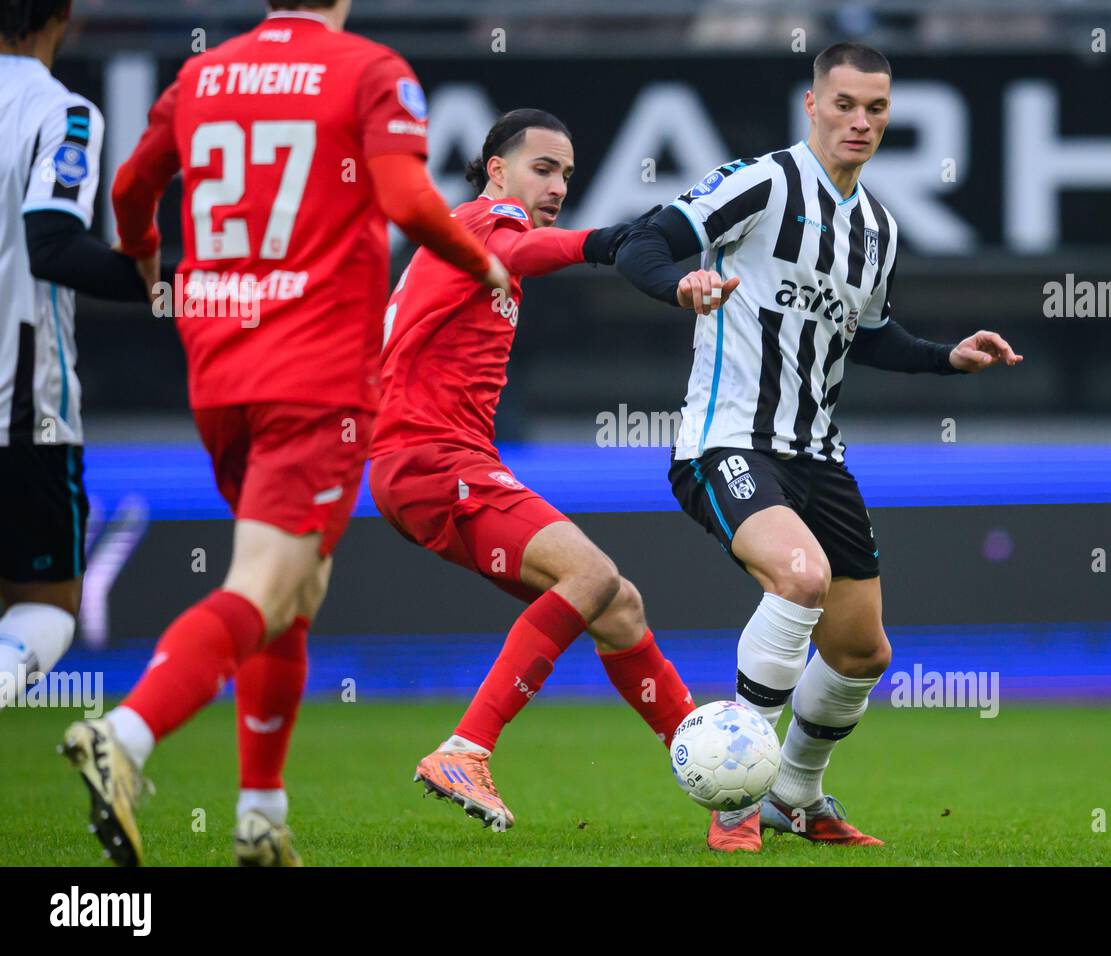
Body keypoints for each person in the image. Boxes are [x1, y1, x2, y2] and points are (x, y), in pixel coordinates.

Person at [59, 0, 509, 867]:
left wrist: (146, 252)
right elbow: (408, 198)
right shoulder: (370, 70)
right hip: (317, 378)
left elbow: (128, 189)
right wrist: (481, 259)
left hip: (220, 370)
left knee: (298, 586)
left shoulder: (202, 73)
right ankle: (126, 732)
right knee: (268, 583)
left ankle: (261, 817)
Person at [615, 42, 1022, 852]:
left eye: (876, 109)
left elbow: (866, 335)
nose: (860, 122)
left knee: (862, 648)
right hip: (724, 440)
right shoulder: (761, 182)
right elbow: (640, 245)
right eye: (845, 104)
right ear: (812, 104)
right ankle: (734, 801)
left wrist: (947, 356)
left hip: (819, 458)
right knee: (799, 578)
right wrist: (682, 284)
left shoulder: (877, 229)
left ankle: (794, 795)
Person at [368, 109, 695, 830]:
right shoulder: (485, 223)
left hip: (418, 464)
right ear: (496, 169)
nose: (556, 185)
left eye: (567, 175)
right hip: (434, 459)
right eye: (542, 168)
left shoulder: (460, 236)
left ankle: (712, 771)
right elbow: (529, 252)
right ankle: (467, 747)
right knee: (592, 574)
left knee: (619, 606)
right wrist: (607, 242)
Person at [1, 0, 155, 710]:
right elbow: (53, 243)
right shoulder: (63, 113)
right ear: (64, 16)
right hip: (22, 409)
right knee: (47, 608)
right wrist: (159, 283)